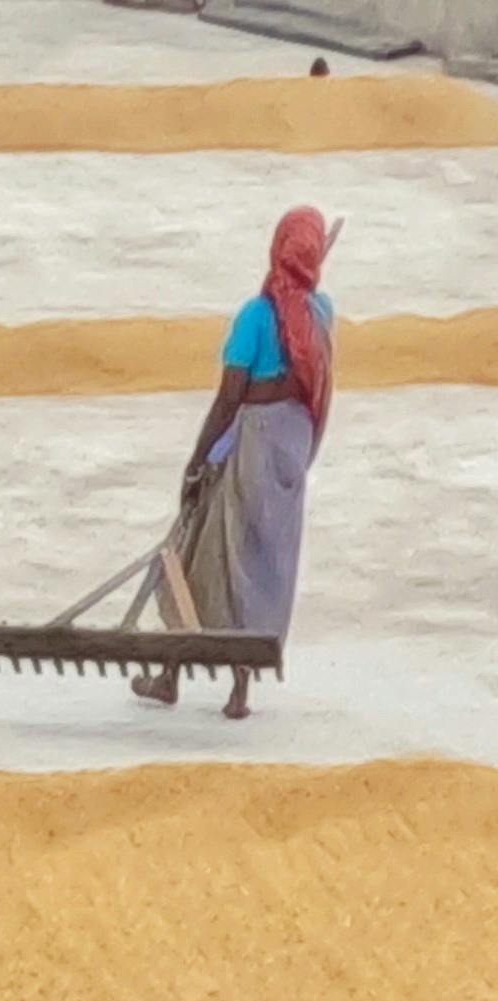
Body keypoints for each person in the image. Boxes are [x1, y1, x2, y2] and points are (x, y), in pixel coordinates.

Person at [145, 205, 333, 718]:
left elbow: (230, 397)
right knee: (258, 567)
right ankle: (238, 690)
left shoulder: (255, 316)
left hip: (247, 453)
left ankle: (169, 675)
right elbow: (302, 386)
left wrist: (196, 459)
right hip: (288, 461)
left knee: (194, 551)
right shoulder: (321, 314)